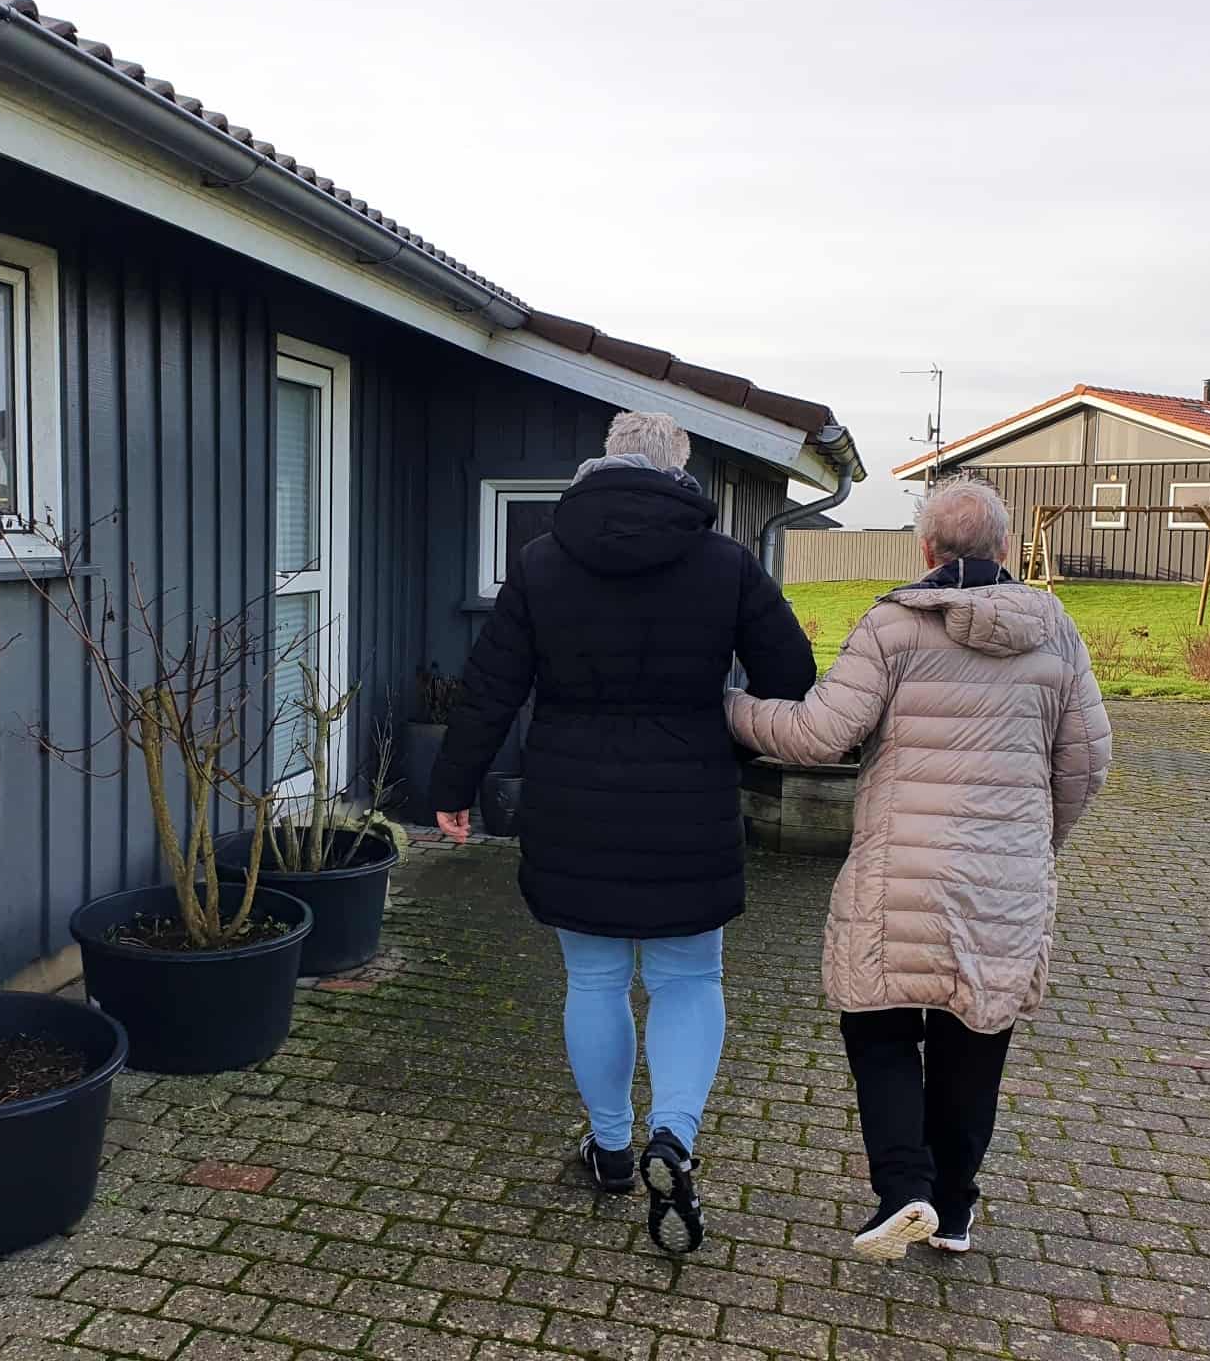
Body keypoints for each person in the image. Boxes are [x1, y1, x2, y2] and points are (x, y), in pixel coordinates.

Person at [429, 411, 816, 1254]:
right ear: (680, 469)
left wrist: (453, 786)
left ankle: (609, 1152)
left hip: (575, 801)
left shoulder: (541, 561)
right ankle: (672, 1136)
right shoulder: (726, 563)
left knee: (595, 980)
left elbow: (490, 685)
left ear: (600, 464)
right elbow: (792, 674)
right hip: (690, 802)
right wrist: (722, 704)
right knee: (688, 975)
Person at [726, 477, 1111, 1261]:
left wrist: (730, 706)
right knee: (976, 1038)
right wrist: (1038, 846)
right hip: (1002, 880)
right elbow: (1087, 761)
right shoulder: (1056, 632)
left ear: (926, 550)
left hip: (902, 874)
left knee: (879, 1028)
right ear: (1005, 549)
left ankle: (905, 1190)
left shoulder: (894, 626)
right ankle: (956, 1211)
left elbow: (819, 734)